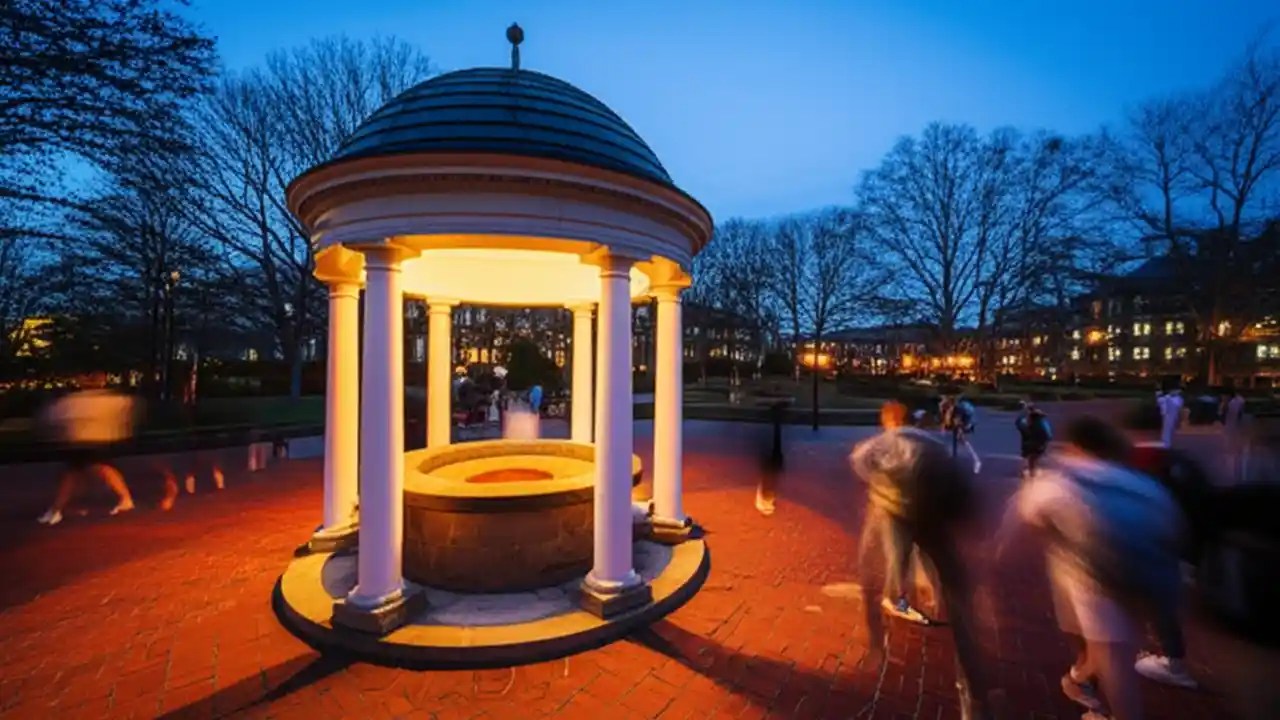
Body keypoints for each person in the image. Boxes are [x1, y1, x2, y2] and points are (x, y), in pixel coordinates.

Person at [997, 416, 1182, 720]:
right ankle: (1079, 680)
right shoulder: (1142, 484)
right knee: (1116, 648)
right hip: (1152, 576)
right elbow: (1172, 528)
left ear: (1076, 448)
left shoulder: (1064, 481)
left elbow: (1021, 520)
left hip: (1098, 577)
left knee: (1115, 660)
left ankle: (1105, 704)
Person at [851, 401, 995, 720]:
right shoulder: (935, 445)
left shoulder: (883, 442)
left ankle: (886, 618)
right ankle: (974, 699)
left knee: (885, 561)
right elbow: (961, 487)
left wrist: (884, 485)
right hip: (931, 517)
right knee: (954, 587)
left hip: (895, 514)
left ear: (889, 420)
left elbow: (860, 461)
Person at [36, 373, 138, 526]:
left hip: (87, 442)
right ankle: (61, 508)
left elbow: (52, 417)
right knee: (89, 472)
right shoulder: (105, 400)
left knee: (83, 473)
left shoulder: (76, 401)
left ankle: (57, 510)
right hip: (90, 442)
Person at [941, 394, 982, 474]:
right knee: (957, 440)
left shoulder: (958, 409)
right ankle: (954, 456)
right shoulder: (957, 407)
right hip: (966, 421)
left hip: (966, 422)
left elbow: (957, 421)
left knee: (962, 440)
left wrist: (960, 430)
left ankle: (975, 461)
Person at [1015, 400, 1053, 479]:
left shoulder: (1035, 424)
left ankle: (1031, 473)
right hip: (1041, 443)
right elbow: (1048, 436)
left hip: (1035, 443)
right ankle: (1032, 472)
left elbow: (1020, 424)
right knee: (1033, 457)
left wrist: (1024, 411)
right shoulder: (1042, 422)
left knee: (1030, 456)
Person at [1222, 389, 1247, 483]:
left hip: (1233, 425)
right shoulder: (1239, 401)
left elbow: (1225, 414)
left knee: (1232, 443)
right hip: (1234, 425)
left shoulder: (1234, 402)